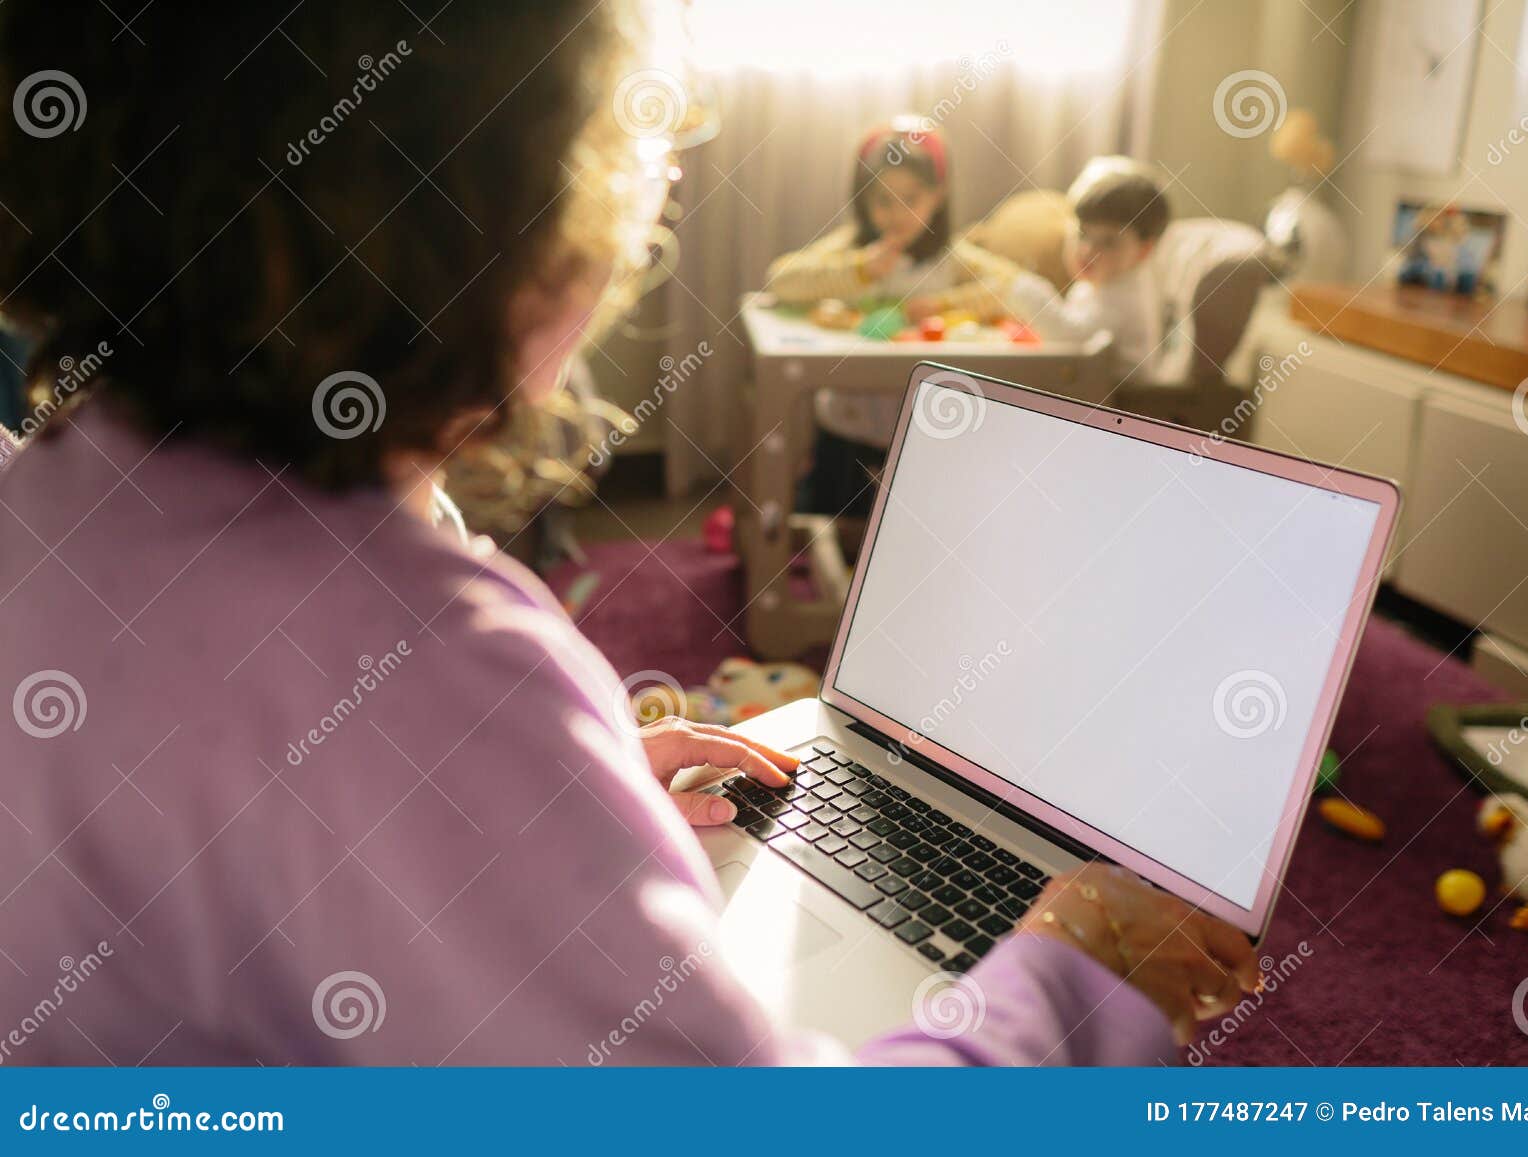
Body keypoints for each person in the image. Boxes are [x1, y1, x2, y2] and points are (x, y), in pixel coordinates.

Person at [0, 1, 1255, 1065]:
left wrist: (543, 810)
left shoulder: (32, 499)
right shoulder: (438, 676)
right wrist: (1068, 975)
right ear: (524, 223)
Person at [766, 120, 1023, 517]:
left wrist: (942, 304)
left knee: (915, 519)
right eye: (883, 201)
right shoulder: (855, 248)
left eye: (910, 199)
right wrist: (859, 270)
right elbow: (782, 279)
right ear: (863, 203)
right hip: (848, 415)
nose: (896, 214)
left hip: (925, 420)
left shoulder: (947, 258)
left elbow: (1008, 284)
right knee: (839, 515)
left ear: (937, 197)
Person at [1005, 159, 1170, 381]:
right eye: (1082, 234)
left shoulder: (1126, 298)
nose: (1087, 250)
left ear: (1143, 251)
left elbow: (1070, 342)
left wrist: (1026, 290)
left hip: (1124, 405)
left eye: (1109, 242)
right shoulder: (1095, 284)